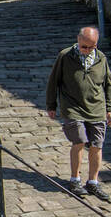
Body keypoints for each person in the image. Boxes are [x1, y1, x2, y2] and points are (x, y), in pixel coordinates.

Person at [45, 25, 111, 200]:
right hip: (72, 107)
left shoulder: (101, 58)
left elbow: (108, 85)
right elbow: (54, 81)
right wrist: (51, 105)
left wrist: (109, 109)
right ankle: (75, 180)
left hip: (96, 108)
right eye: (84, 47)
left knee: (97, 145)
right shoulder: (65, 56)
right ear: (78, 40)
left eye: (92, 47)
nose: (88, 50)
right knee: (80, 141)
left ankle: (93, 183)